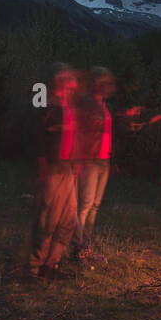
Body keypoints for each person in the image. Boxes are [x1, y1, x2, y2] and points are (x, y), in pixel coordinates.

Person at [27, 64, 79, 280]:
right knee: (48, 219)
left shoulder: (67, 106)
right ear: (58, 81)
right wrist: (42, 165)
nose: (72, 82)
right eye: (67, 79)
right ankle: (33, 268)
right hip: (53, 167)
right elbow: (38, 136)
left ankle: (52, 265)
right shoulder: (46, 104)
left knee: (68, 219)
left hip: (67, 167)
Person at [71, 67, 115, 263]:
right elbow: (79, 131)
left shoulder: (101, 104)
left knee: (94, 206)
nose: (107, 85)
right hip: (89, 160)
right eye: (103, 81)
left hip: (103, 160)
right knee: (84, 205)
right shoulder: (87, 103)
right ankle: (77, 249)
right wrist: (78, 158)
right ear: (95, 82)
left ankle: (86, 247)